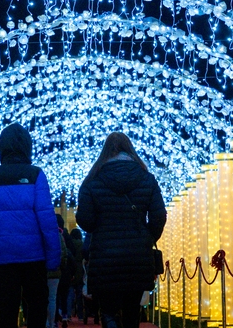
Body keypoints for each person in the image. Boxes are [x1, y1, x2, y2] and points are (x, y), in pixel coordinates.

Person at [0, 123, 61, 328]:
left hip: (3, 257)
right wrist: (53, 259)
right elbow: (47, 221)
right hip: (34, 257)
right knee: (37, 308)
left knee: (6, 310)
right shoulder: (35, 175)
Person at [76, 133, 167, 328]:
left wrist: (99, 228)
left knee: (108, 309)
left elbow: (84, 219)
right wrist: (147, 237)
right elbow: (159, 216)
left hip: (104, 256)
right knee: (132, 310)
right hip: (137, 256)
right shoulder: (146, 178)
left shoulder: (93, 180)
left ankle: (110, 322)